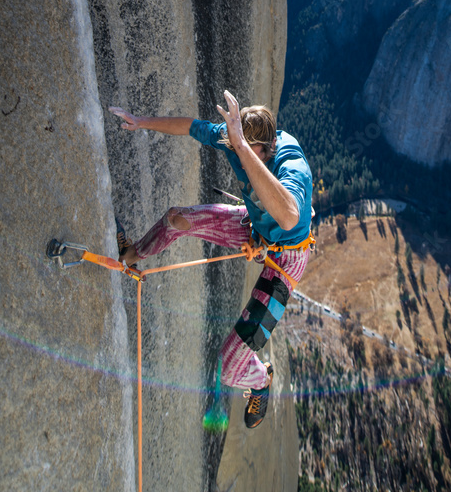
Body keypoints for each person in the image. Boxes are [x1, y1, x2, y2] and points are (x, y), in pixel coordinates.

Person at [109, 90, 313, 429]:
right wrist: (141, 121)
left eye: (246, 152)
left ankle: (260, 380)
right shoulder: (235, 138)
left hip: (286, 259)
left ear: (266, 149)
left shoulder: (291, 165)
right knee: (178, 218)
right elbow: (191, 126)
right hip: (255, 228)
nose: (238, 156)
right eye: (235, 147)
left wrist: (243, 151)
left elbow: (289, 217)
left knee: (230, 367)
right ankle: (130, 255)